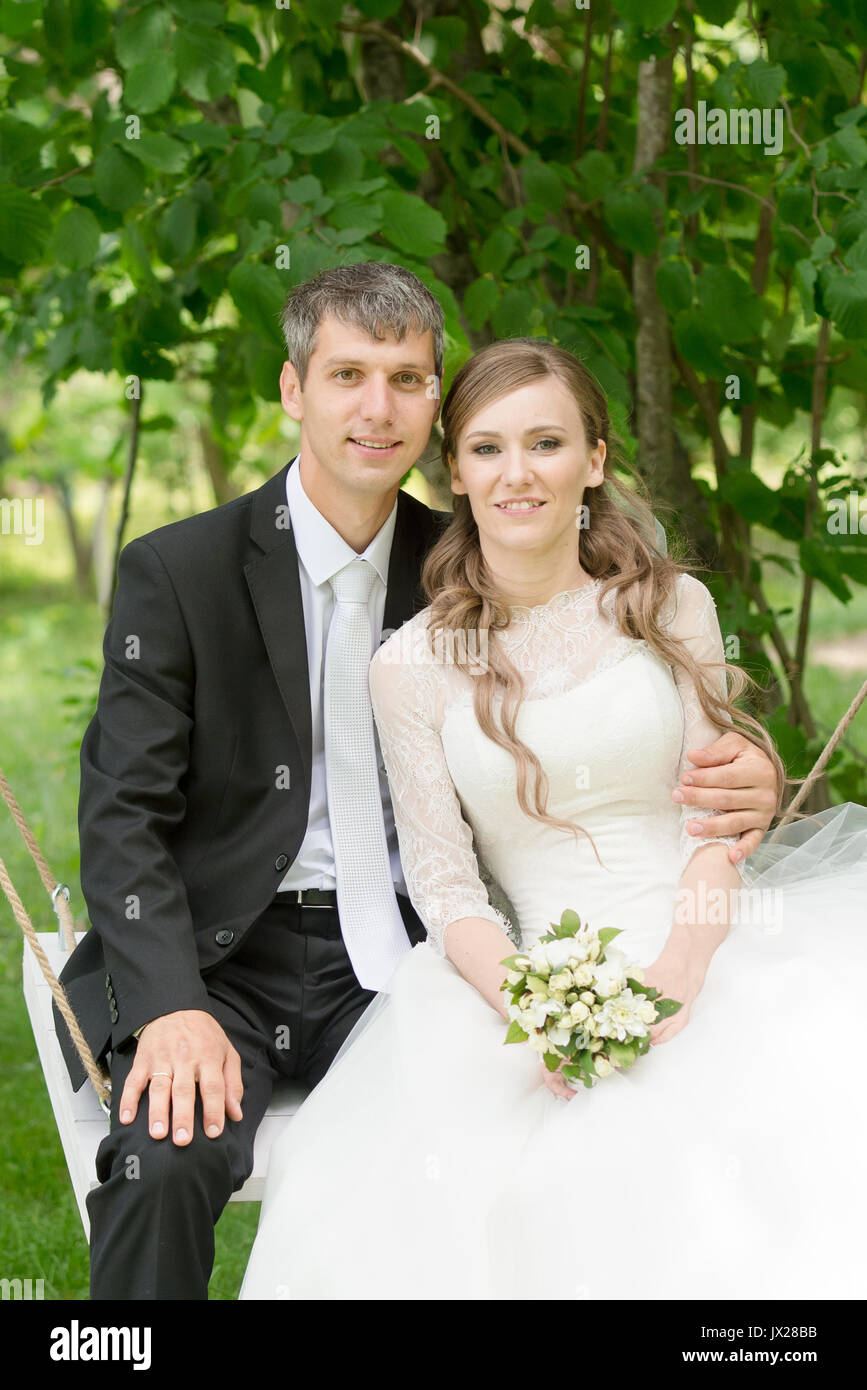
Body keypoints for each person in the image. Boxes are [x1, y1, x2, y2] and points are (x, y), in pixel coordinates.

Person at [55, 263, 779, 1300]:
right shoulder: (181, 572)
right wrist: (168, 1004)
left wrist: (751, 766)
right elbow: (122, 813)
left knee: (496, 1153)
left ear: (436, 404)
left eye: (406, 377)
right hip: (227, 960)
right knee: (162, 1156)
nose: (376, 406)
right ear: (292, 389)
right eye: (348, 373)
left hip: (401, 954)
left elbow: (627, 703)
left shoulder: (480, 553)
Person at [239, 336, 867, 1301]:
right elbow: (446, 889)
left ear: (595, 461)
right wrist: (541, 1015)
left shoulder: (670, 607)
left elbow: (714, 826)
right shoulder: (411, 666)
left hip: (701, 944)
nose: (516, 473)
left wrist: (674, 979)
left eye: (545, 442)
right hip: (530, 977)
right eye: (486, 448)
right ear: (455, 472)